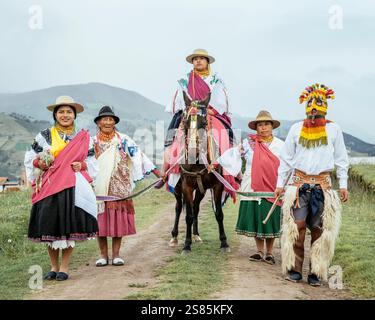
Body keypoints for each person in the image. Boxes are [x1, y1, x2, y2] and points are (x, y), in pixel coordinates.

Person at [275, 84, 349, 286]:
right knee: (296, 227)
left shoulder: (334, 129)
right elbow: (286, 158)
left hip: (323, 187)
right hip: (299, 186)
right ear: (306, 107)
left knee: (319, 229)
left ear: (325, 106)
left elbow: (341, 158)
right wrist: (280, 184)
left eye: (319, 104)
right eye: (311, 104)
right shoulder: (296, 128)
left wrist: (343, 184)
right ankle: (295, 268)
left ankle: (316, 272)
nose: (314, 108)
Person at [24, 95, 99, 281]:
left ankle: (64, 267)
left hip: (71, 187)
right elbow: (30, 157)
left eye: (68, 112)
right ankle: (53, 266)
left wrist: (81, 166)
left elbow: (92, 162)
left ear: (74, 115)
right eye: (61, 112)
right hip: (49, 187)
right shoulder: (44, 136)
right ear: (55, 115)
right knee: (49, 225)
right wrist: (38, 162)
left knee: (68, 226)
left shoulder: (83, 138)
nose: (65, 115)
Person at [155, 48, 237, 198]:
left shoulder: (215, 80)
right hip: (189, 113)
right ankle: (165, 171)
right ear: (192, 62)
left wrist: (211, 110)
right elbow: (180, 98)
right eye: (195, 58)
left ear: (207, 62)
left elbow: (220, 99)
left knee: (225, 135)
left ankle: (232, 171)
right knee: (173, 136)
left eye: (202, 58)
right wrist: (188, 109)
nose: (198, 61)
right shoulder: (185, 80)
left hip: (210, 113)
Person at [93, 106, 159, 266]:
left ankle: (116, 255)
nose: (108, 122)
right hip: (99, 188)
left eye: (111, 119)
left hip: (119, 187)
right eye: (105, 119)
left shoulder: (123, 140)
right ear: (99, 123)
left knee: (117, 222)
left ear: (115, 122)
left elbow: (139, 156)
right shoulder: (92, 142)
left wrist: (158, 173)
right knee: (100, 223)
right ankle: (103, 255)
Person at [217, 111, 284, 264]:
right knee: (256, 215)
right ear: (256, 128)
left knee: (270, 215)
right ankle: (259, 251)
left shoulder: (281, 145)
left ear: (272, 126)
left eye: (266, 124)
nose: (263, 127)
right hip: (252, 184)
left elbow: (287, 165)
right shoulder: (249, 144)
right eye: (260, 125)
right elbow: (233, 155)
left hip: (273, 185)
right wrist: (218, 163)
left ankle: (270, 252)